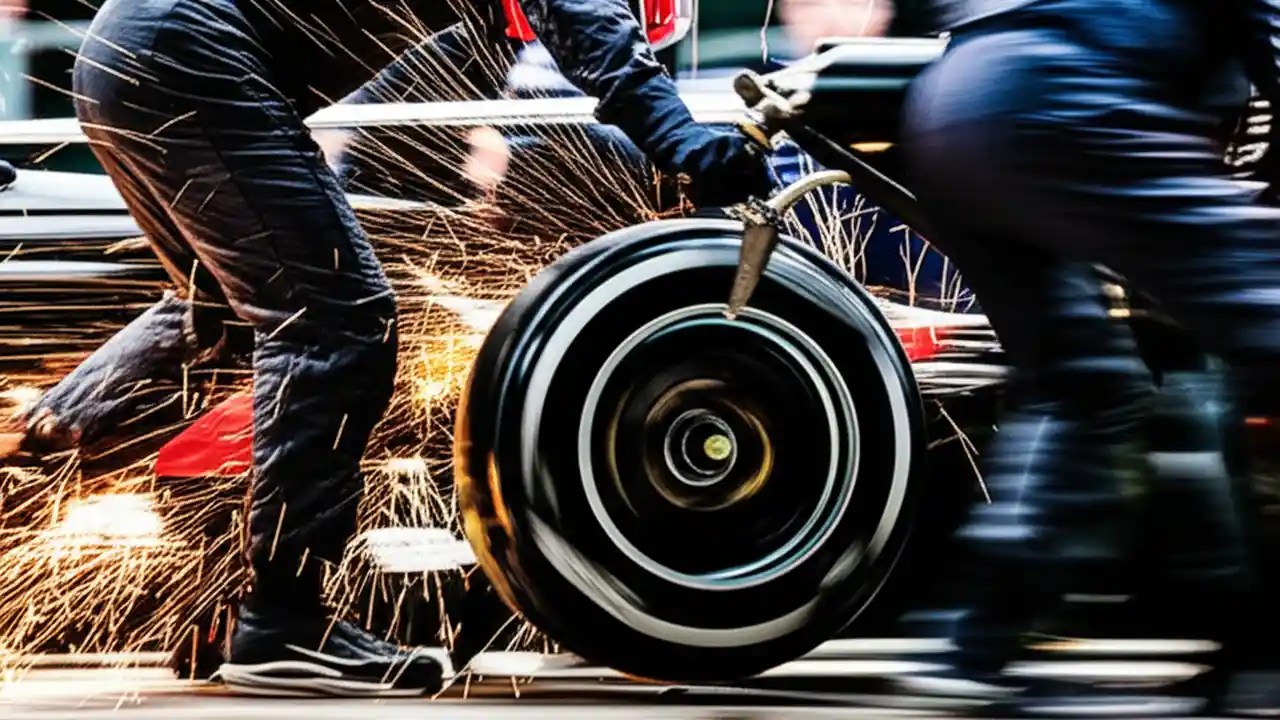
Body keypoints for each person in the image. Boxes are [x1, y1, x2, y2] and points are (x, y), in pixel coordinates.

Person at [7, 0, 770, 697]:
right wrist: (683, 142)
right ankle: (281, 625)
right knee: (340, 320)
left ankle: (34, 474)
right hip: (189, 54)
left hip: (135, 51)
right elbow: (586, 27)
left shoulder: (480, 29)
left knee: (227, 313)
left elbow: (413, 132)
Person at [892, 0, 1280, 714]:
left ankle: (972, 648)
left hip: (951, 103)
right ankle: (1258, 652)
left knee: (1081, 382)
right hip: (1068, 92)